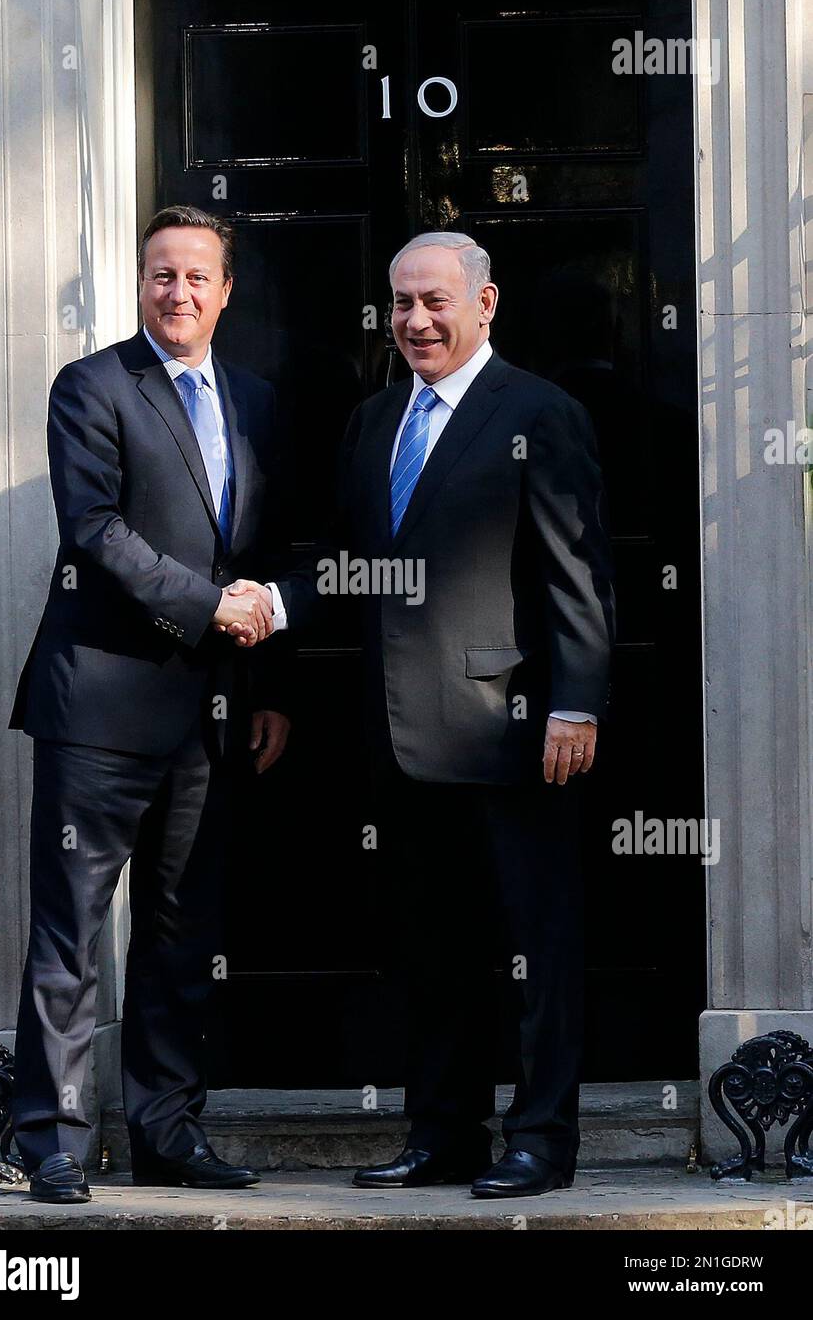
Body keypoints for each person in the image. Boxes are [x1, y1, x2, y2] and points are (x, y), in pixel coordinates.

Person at [232, 232, 615, 1199]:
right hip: (401, 734)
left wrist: (575, 702)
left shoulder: (539, 411)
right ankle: (442, 1133)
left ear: (484, 304)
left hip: (514, 728)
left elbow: (578, 573)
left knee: (536, 947)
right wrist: (273, 605)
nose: (414, 321)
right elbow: (348, 563)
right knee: (432, 948)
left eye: (435, 301)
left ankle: (541, 1141)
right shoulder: (373, 420)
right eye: (401, 303)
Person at [8, 205, 291, 1203]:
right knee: (71, 932)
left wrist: (268, 680)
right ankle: (50, 1139)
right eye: (161, 274)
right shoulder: (90, 386)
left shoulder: (255, 400)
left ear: (225, 292)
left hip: (210, 715)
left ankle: (169, 1132)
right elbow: (95, 530)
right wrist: (210, 606)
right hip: (98, 707)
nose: (177, 292)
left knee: (181, 934)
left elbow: (265, 548)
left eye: (196, 276)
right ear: (140, 284)